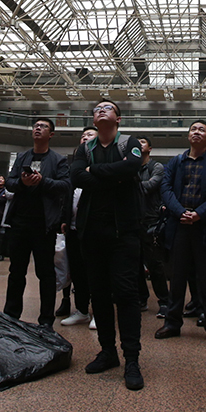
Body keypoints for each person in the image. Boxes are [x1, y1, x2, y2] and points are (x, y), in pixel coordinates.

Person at [70, 101, 146, 390]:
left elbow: (132, 167)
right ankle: (107, 351)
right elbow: (76, 176)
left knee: (126, 295)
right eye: (97, 108)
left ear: (118, 118)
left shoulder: (129, 142)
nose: (101, 110)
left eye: (108, 107)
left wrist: (96, 173)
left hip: (124, 233)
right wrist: (112, 176)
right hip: (92, 232)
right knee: (98, 295)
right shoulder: (84, 148)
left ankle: (132, 359)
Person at [156, 121, 206, 345]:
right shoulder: (176, 161)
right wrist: (180, 211)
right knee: (176, 278)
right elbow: (165, 189)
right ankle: (172, 323)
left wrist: (199, 214)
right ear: (188, 136)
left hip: (204, 227)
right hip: (179, 226)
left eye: (201, 130)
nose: (196, 132)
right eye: (193, 129)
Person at [3, 118, 69, 328]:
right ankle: (11, 316)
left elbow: (65, 185)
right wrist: (22, 183)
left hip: (44, 224)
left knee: (46, 273)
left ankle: (46, 320)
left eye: (43, 127)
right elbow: (10, 182)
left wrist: (42, 182)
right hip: (20, 222)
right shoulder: (22, 156)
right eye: (35, 126)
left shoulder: (59, 160)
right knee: (16, 271)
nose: (38, 128)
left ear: (51, 134)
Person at [59, 127, 96, 326]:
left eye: (90, 135)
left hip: (94, 227)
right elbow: (68, 194)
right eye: (83, 136)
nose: (85, 138)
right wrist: (64, 219)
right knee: (78, 272)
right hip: (73, 227)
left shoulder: (102, 162)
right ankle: (82, 310)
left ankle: (99, 312)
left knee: (96, 272)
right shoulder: (74, 165)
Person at [135, 137, 169, 318]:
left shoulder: (156, 167)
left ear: (150, 148)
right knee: (135, 264)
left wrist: (128, 185)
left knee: (155, 265)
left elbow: (150, 186)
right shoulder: (132, 167)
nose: (139, 144)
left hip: (151, 221)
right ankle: (142, 299)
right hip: (134, 222)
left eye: (143, 141)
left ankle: (164, 301)